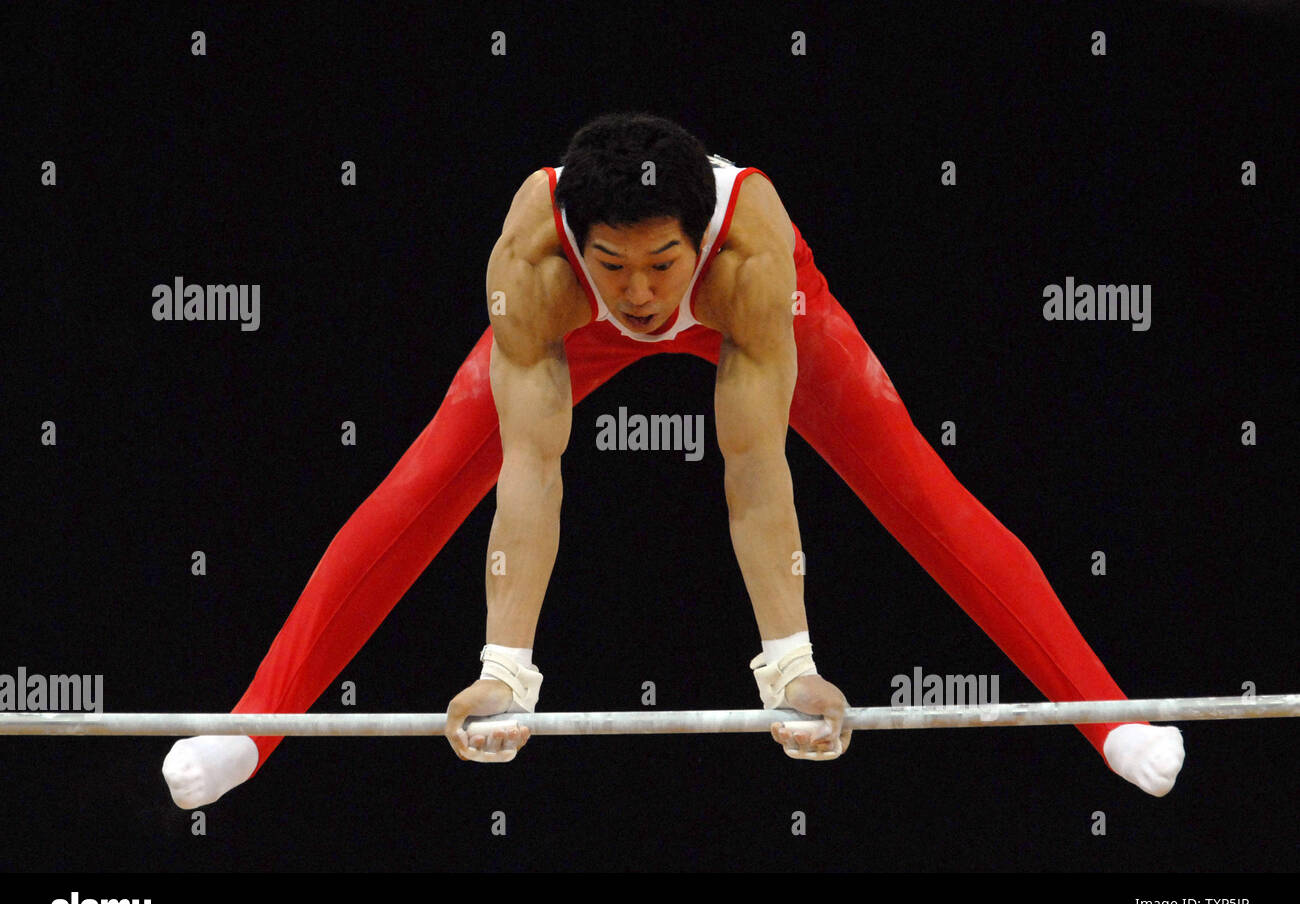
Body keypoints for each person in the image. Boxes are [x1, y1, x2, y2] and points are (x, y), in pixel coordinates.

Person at [162, 113, 1184, 808]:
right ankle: (251, 731)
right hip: (566, 335)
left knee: (924, 491)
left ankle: (1108, 721)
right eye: (614, 264)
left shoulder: (749, 260)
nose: (643, 294)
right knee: (417, 488)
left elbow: (754, 471)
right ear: (576, 242)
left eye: (661, 262)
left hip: (762, 319)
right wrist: (504, 674)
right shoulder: (535, 266)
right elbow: (532, 471)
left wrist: (791, 669)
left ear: (699, 236)